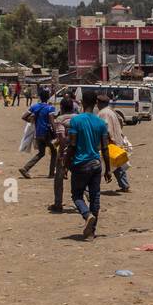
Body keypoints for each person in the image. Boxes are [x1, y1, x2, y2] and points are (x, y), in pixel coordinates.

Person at [67, 89, 112, 239]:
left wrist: (66, 164)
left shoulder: (76, 121)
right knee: (95, 197)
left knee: (77, 195)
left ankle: (87, 216)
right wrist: (108, 170)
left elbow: (72, 145)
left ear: (83, 102)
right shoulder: (100, 123)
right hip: (96, 163)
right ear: (95, 103)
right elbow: (105, 148)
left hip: (80, 163)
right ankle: (92, 231)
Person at [96, 92, 132, 192]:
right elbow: (121, 122)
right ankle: (124, 185)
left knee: (103, 165)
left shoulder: (104, 113)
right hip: (116, 140)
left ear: (100, 103)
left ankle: (93, 187)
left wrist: (106, 141)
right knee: (117, 164)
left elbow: (106, 129)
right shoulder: (111, 111)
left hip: (110, 142)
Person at [19, 88, 58, 179]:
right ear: (48, 97)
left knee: (41, 153)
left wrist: (33, 121)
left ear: (40, 97)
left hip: (38, 134)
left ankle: (26, 168)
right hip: (47, 134)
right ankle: (51, 173)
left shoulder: (35, 106)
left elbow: (24, 117)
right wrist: (56, 134)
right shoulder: (50, 108)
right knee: (54, 152)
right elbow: (52, 121)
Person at [47, 94, 77, 212]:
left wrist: (59, 150)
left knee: (58, 178)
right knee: (78, 177)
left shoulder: (60, 119)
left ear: (62, 107)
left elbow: (62, 139)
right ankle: (88, 199)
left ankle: (58, 203)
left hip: (65, 153)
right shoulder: (78, 118)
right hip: (77, 151)